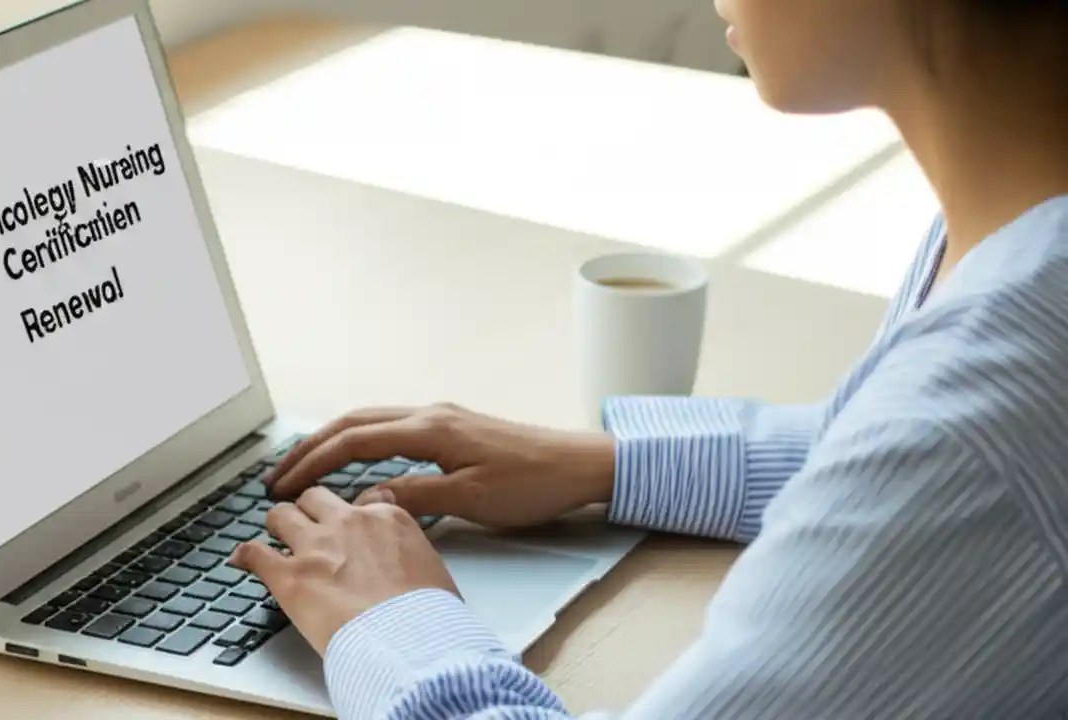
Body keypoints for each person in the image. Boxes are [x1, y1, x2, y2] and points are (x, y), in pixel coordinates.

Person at [228, 0, 1068, 716]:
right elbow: (914, 462)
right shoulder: (1023, 227)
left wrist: (390, 620)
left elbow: (945, 462)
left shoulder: (970, 422)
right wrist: (608, 464)